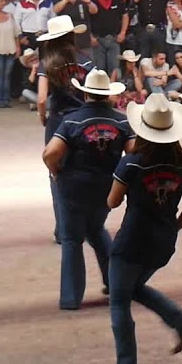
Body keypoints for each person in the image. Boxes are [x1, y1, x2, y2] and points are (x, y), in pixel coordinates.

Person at [106, 94, 182, 364]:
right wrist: (172, 227)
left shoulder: (132, 163)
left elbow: (112, 201)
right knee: (134, 288)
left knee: (119, 301)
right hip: (163, 243)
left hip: (132, 240)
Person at [43, 70, 133, 310]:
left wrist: (55, 171)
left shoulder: (72, 120)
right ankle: (117, 284)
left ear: (85, 93)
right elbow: (135, 153)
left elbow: (51, 152)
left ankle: (71, 298)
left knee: (72, 239)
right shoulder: (121, 120)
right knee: (96, 229)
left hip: (73, 186)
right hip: (105, 186)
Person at [37, 15, 95, 243]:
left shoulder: (47, 64)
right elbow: (94, 92)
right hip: (82, 121)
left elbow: (42, 99)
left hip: (58, 121)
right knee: (82, 172)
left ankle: (63, 229)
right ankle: (87, 226)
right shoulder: (85, 60)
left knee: (57, 174)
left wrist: (43, 117)